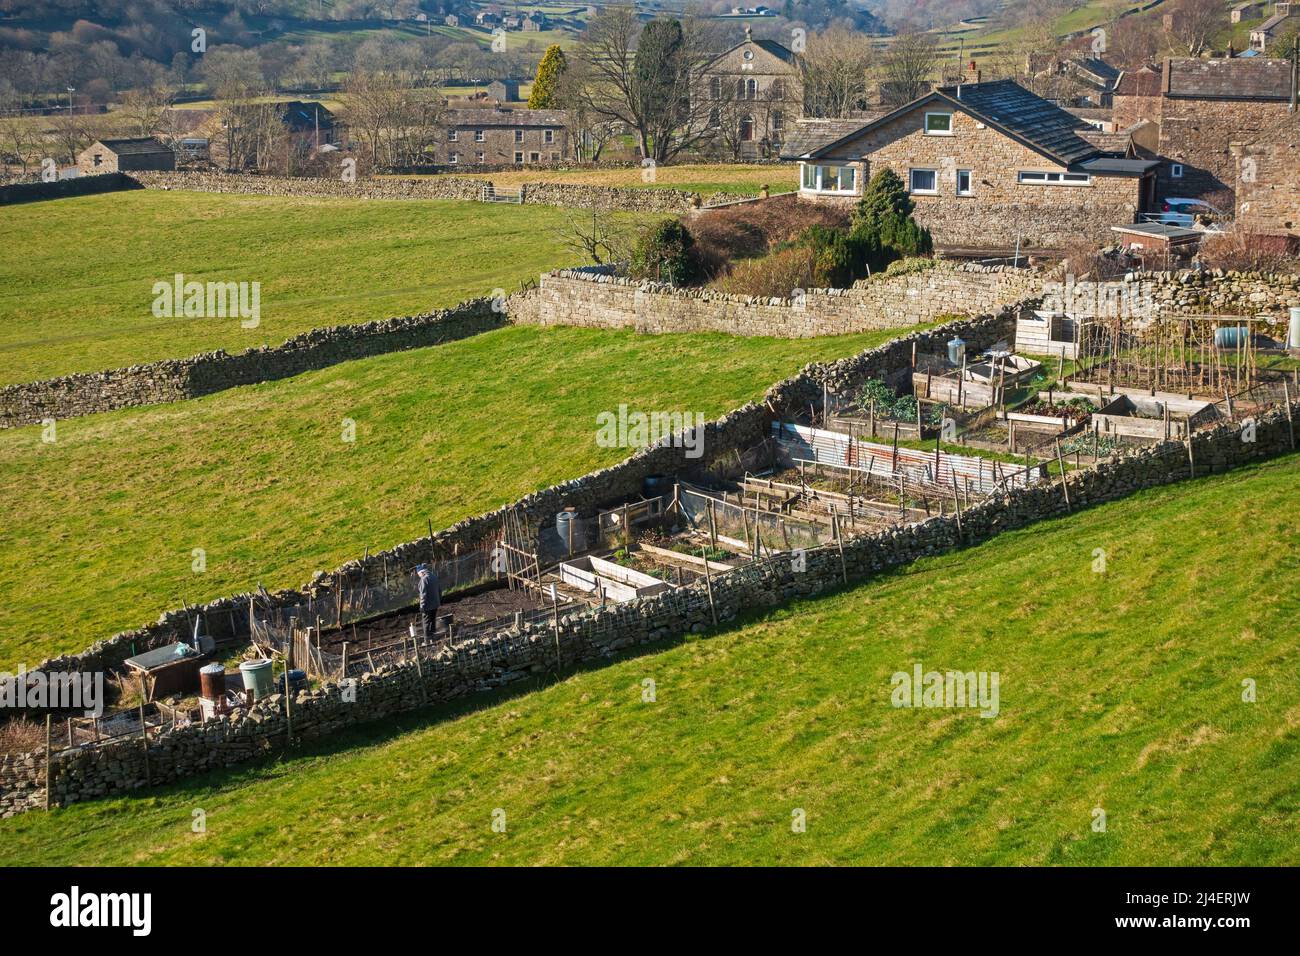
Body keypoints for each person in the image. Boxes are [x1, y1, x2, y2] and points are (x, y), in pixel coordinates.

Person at [416, 563, 441, 638]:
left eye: (419, 574)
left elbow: (423, 594)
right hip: (436, 603)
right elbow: (439, 590)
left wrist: (422, 606)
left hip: (427, 605)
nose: (419, 576)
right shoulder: (434, 576)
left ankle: (427, 640)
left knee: (426, 622)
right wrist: (439, 600)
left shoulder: (423, 580)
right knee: (433, 620)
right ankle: (433, 636)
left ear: (421, 572)